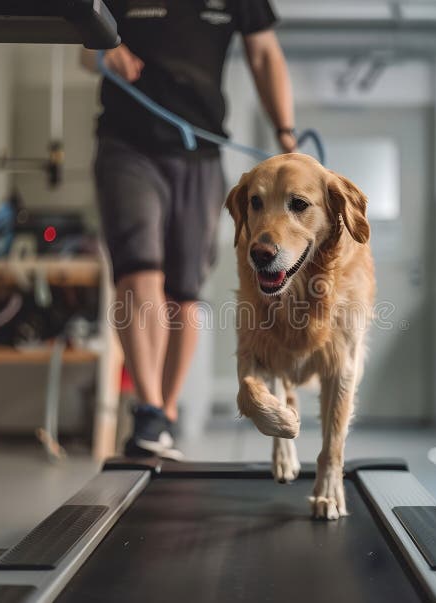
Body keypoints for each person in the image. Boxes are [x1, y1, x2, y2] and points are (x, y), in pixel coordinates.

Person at [80, 0, 296, 458]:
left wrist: (285, 132)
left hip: (201, 153)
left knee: (185, 291)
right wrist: (106, 52)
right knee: (139, 269)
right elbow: (85, 49)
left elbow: (264, 55)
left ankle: (166, 411)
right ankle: (148, 409)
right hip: (128, 145)